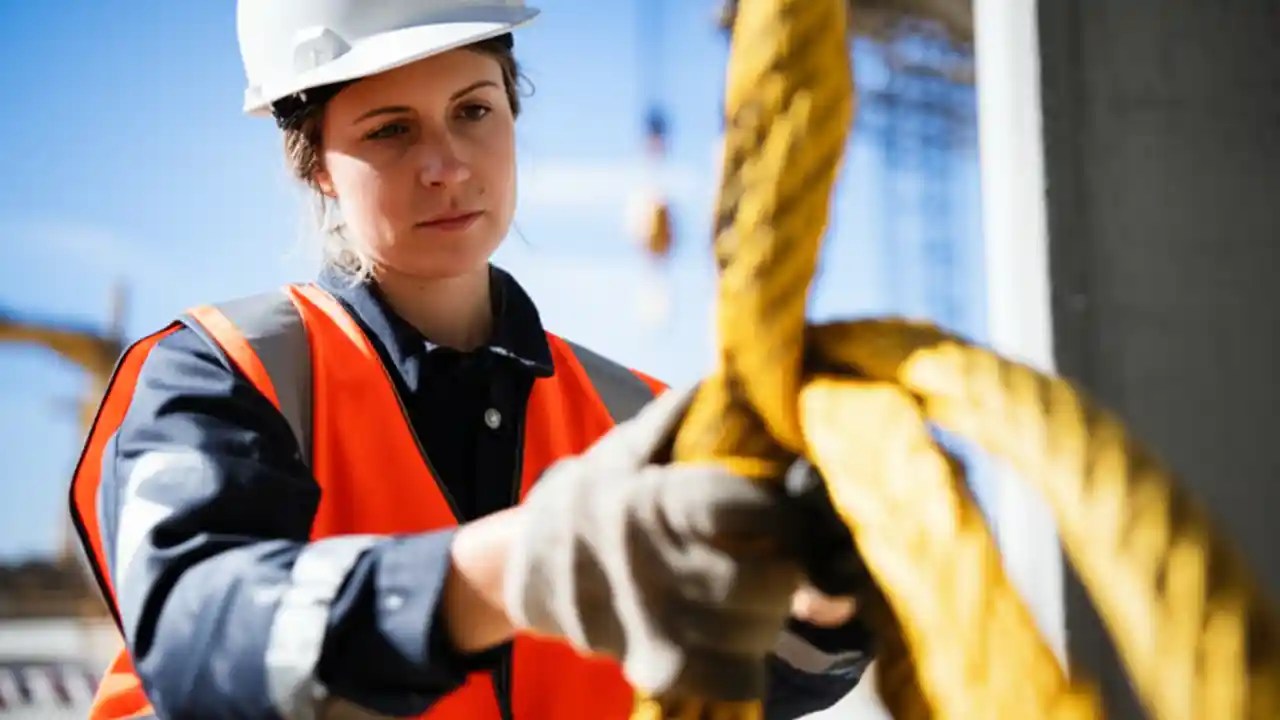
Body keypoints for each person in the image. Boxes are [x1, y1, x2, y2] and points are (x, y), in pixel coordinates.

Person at [67, 2, 875, 718]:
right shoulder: (225, 376)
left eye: (473, 110)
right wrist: (515, 565)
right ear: (314, 163)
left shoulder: (640, 416)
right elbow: (194, 637)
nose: (447, 165)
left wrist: (818, 600)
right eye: (390, 129)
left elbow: (755, 680)